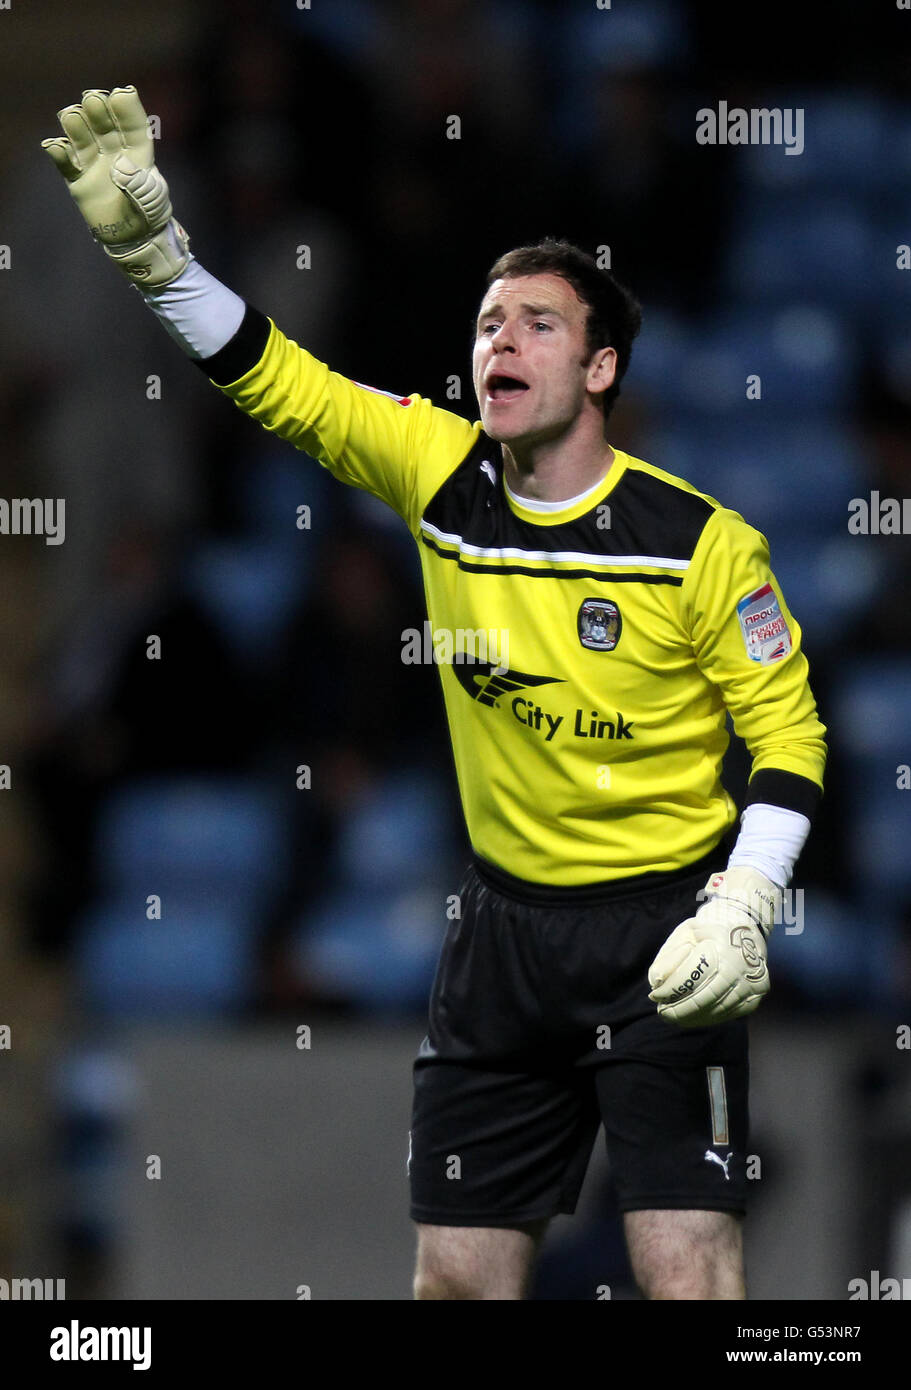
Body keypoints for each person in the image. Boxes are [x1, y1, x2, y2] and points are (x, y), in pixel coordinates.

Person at [42, 87, 827, 1301]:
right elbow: (277, 378)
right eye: (485, 323)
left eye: (536, 324)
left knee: (686, 1272)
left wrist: (742, 905)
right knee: (455, 1283)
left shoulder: (704, 544)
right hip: (501, 939)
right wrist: (159, 259)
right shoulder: (436, 470)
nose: (498, 342)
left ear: (602, 365)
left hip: (667, 933)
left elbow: (788, 733)